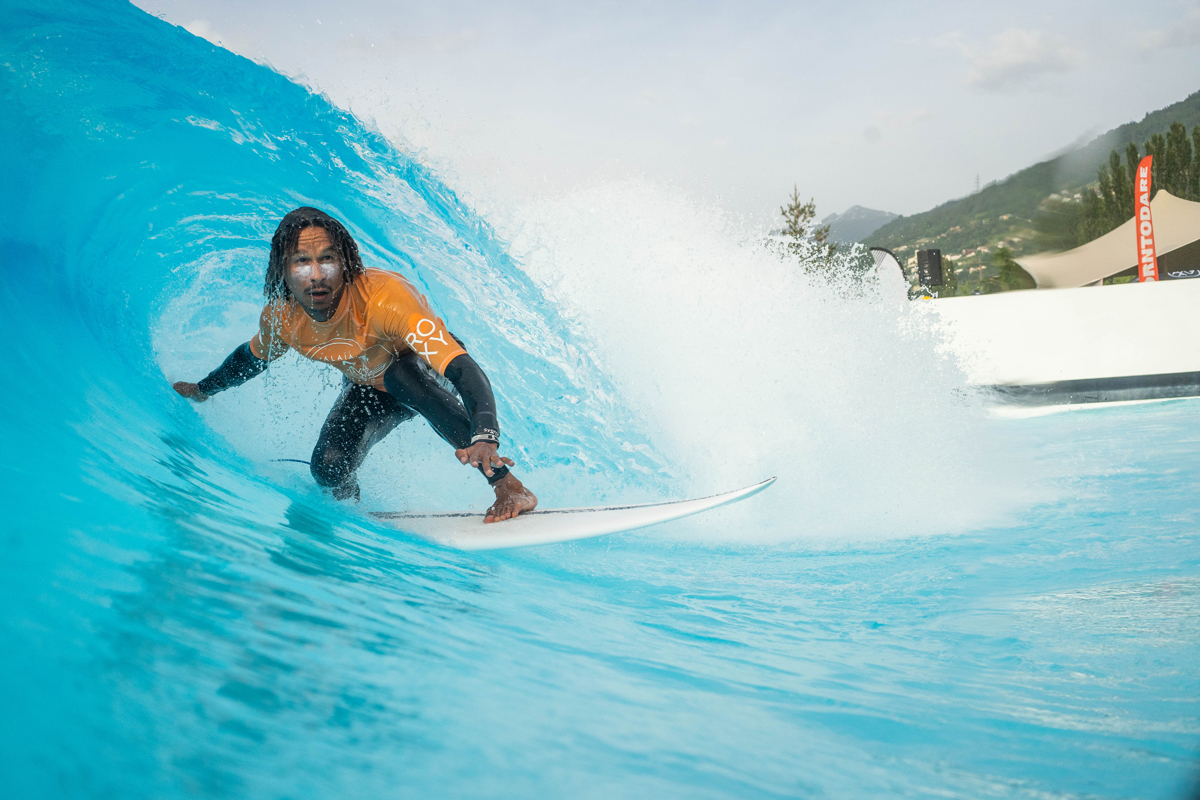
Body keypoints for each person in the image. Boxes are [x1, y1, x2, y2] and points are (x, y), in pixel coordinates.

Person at [172, 207, 537, 523]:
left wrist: (484, 436)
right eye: (302, 262)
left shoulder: (385, 299)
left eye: (327, 259)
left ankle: (509, 487)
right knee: (327, 468)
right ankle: (350, 502)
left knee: (401, 375)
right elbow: (251, 359)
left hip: (414, 366)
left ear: (345, 262)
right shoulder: (283, 318)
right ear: (282, 270)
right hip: (369, 385)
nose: (316, 275)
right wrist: (203, 390)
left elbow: (461, 368)